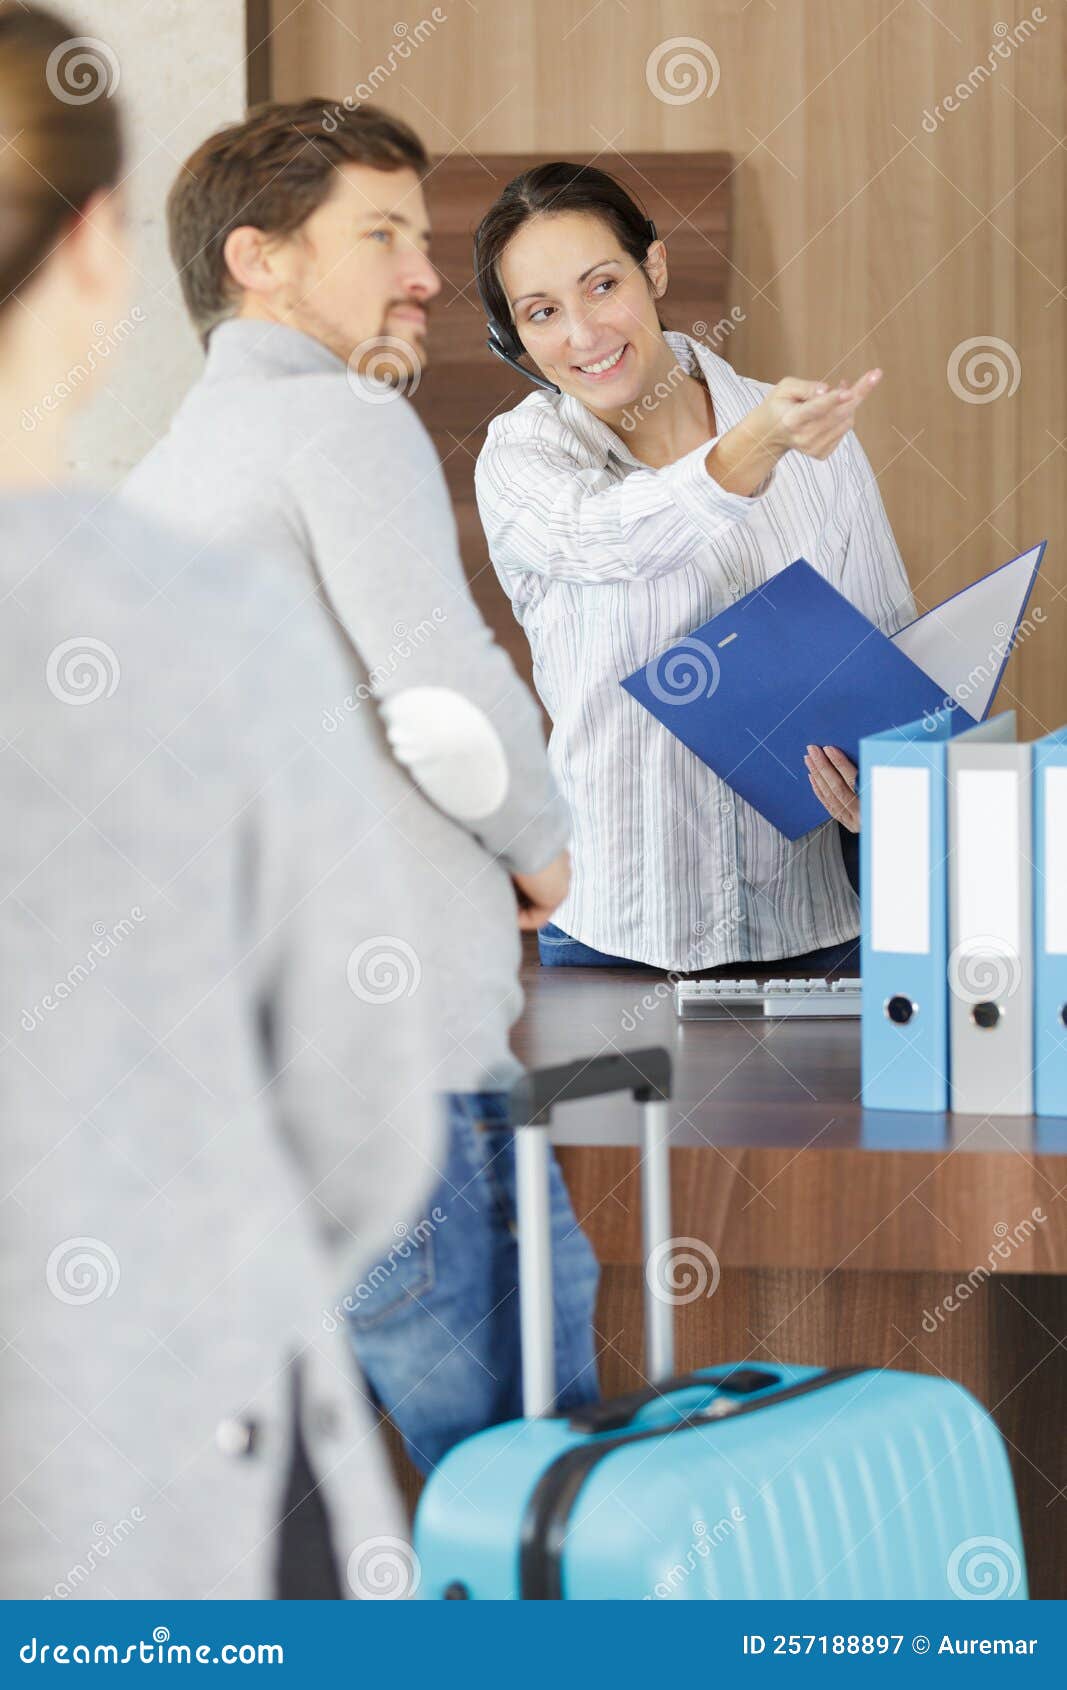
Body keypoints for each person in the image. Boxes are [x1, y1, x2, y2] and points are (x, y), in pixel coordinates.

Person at [0, 3, 447, 1599]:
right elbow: (354, 1126)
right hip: (151, 1474)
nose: (417, 271)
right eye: (383, 233)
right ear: (104, 254)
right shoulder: (193, 625)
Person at [123, 102, 600, 1470]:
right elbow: (438, 685)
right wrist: (544, 849)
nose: (424, 273)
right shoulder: (336, 421)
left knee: (386, 1493)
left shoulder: (174, 468)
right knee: (524, 1475)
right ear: (257, 258)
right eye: (382, 233)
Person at [473, 163, 915, 973]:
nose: (581, 334)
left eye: (601, 285)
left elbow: (888, 656)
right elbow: (610, 538)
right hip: (617, 934)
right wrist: (750, 452)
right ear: (517, 338)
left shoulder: (812, 439)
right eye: (541, 313)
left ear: (655, 270)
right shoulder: (522, 459)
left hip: (816, 927)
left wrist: (882, 790)